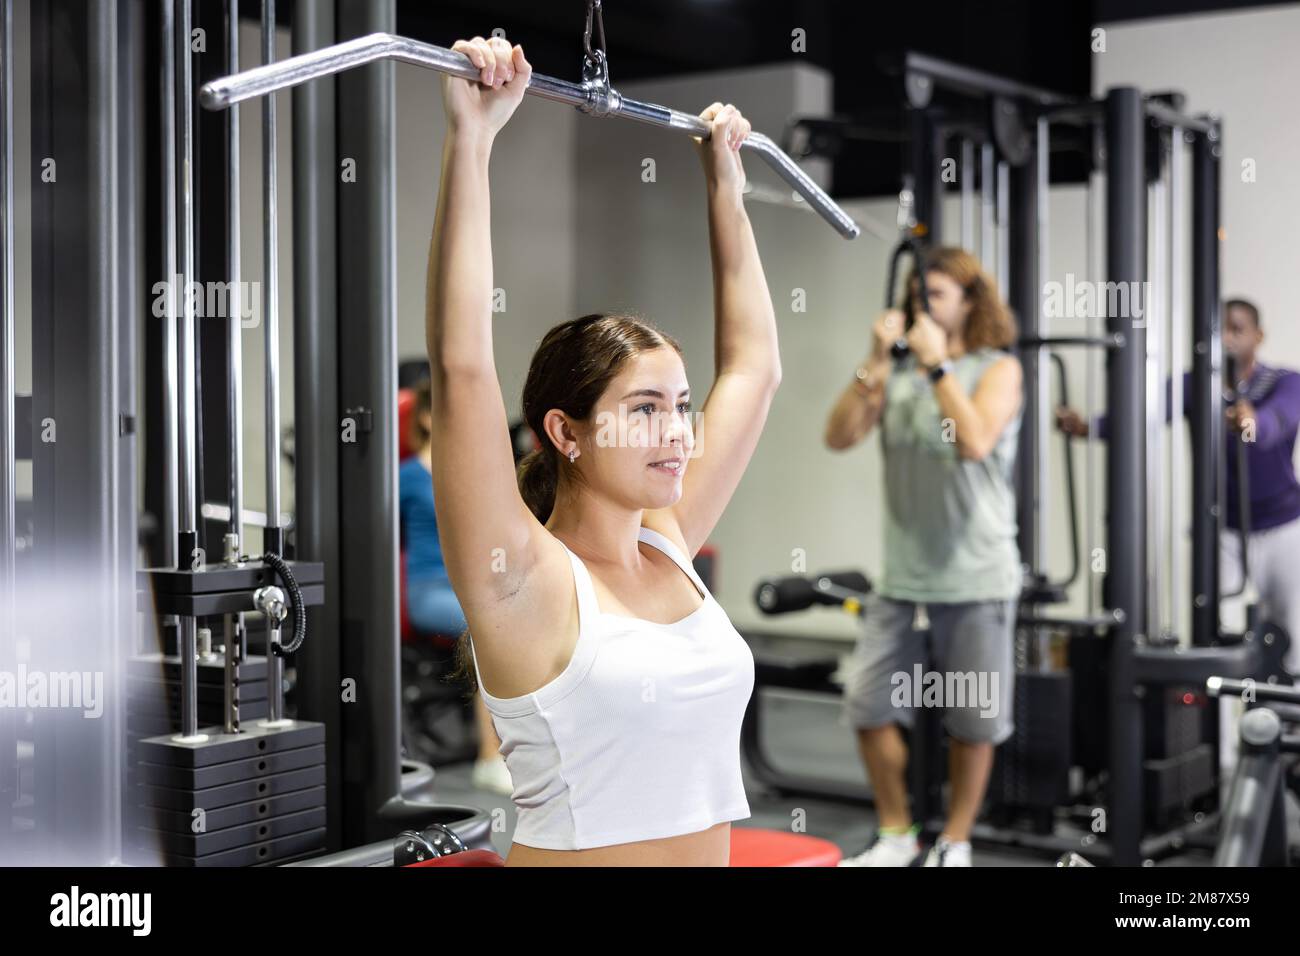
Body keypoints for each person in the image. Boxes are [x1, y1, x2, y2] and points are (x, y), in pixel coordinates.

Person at [426, 35, 779, 866]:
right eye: (646, 408)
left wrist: (725, 184)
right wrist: (472, 138)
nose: (679, 433)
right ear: (566, 432)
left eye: (684, 408)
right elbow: (463, 362)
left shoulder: (668, 544)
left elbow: (756, 371)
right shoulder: (524, 579)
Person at [825, 247, 1024, 867]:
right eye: (918, 296)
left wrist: (939, 368)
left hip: (976, 575)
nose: (923, 307)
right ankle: (896, 833)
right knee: (867, 703)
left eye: (936, 295)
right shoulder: (898, 376)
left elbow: (973, 442)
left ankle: (956, 841)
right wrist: (875, 362)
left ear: (969, 302)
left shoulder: (997, 370)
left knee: (973, 719)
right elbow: (838, 437)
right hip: (902, 578)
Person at [1056, 298, 1300, 676]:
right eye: (1219, 330)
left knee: (1296, 638)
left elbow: (1276, 422)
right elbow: (1143, 419)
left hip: (1286, 528)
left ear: (1259, 335)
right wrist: (1089, 427)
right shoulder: (1193, 385)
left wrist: (1250, 424)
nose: (1228, 339)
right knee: (1218, 634)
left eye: (1237, 329)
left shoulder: (1284, 382)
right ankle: (1223, 729)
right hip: (1223, 531)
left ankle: (1290, 722)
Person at [398, 378, 513, 795]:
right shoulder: (407, 476)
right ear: (427, 417)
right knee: (493, 631)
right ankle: (489, 758)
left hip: (472, 586)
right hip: (428, 590)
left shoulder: (467, 472)